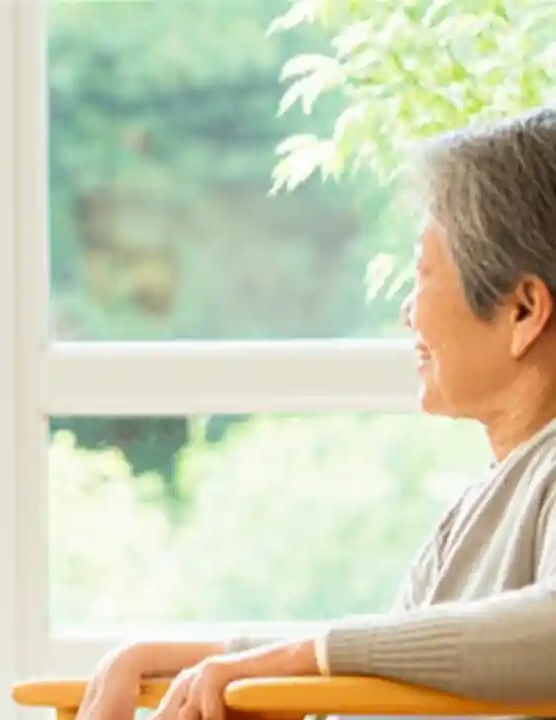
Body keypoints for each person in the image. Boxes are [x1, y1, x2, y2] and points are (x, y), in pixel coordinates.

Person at [78, 107, 556, 720]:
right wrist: (188, 657)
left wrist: (294, 657)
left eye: (423, 274)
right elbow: (387, 668)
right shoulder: (485, 501)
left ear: (522, 310)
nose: (408, 314)